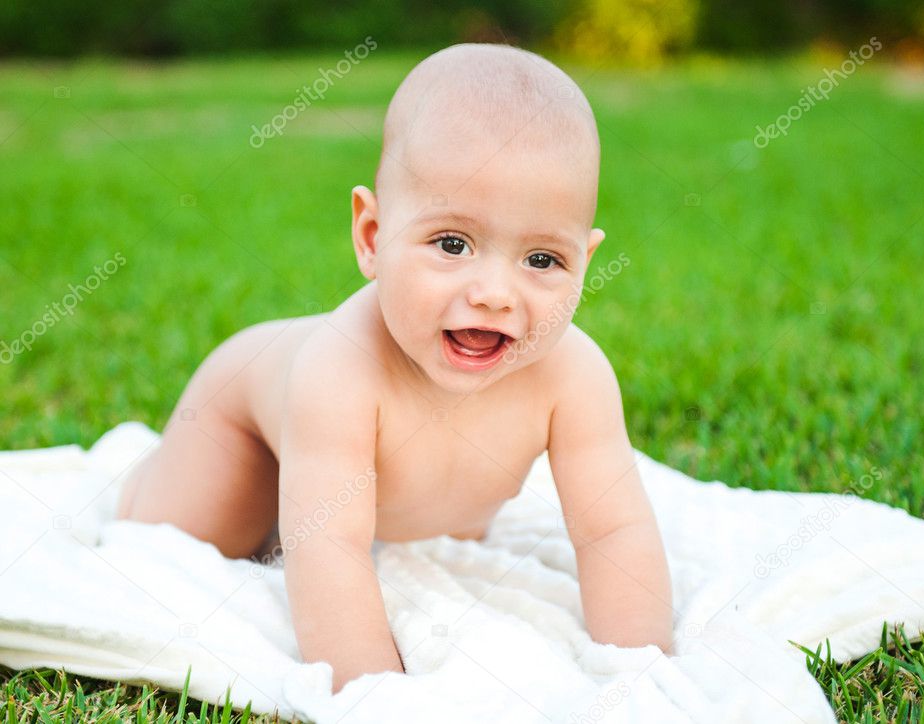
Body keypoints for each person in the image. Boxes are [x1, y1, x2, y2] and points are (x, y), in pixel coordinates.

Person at [116, 42, 673, 693]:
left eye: (542, 260)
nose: (495, 293)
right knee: (199, 535)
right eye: (452, 243)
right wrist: (378, 695)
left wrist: (644, 673)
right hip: (241, 413)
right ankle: (137, 479)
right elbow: (329, 550)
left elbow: (614, 528)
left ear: (587, 257)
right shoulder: (341, 369)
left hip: (399, 496)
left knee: (409, 519)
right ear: (372, 237)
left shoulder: (573, 374)